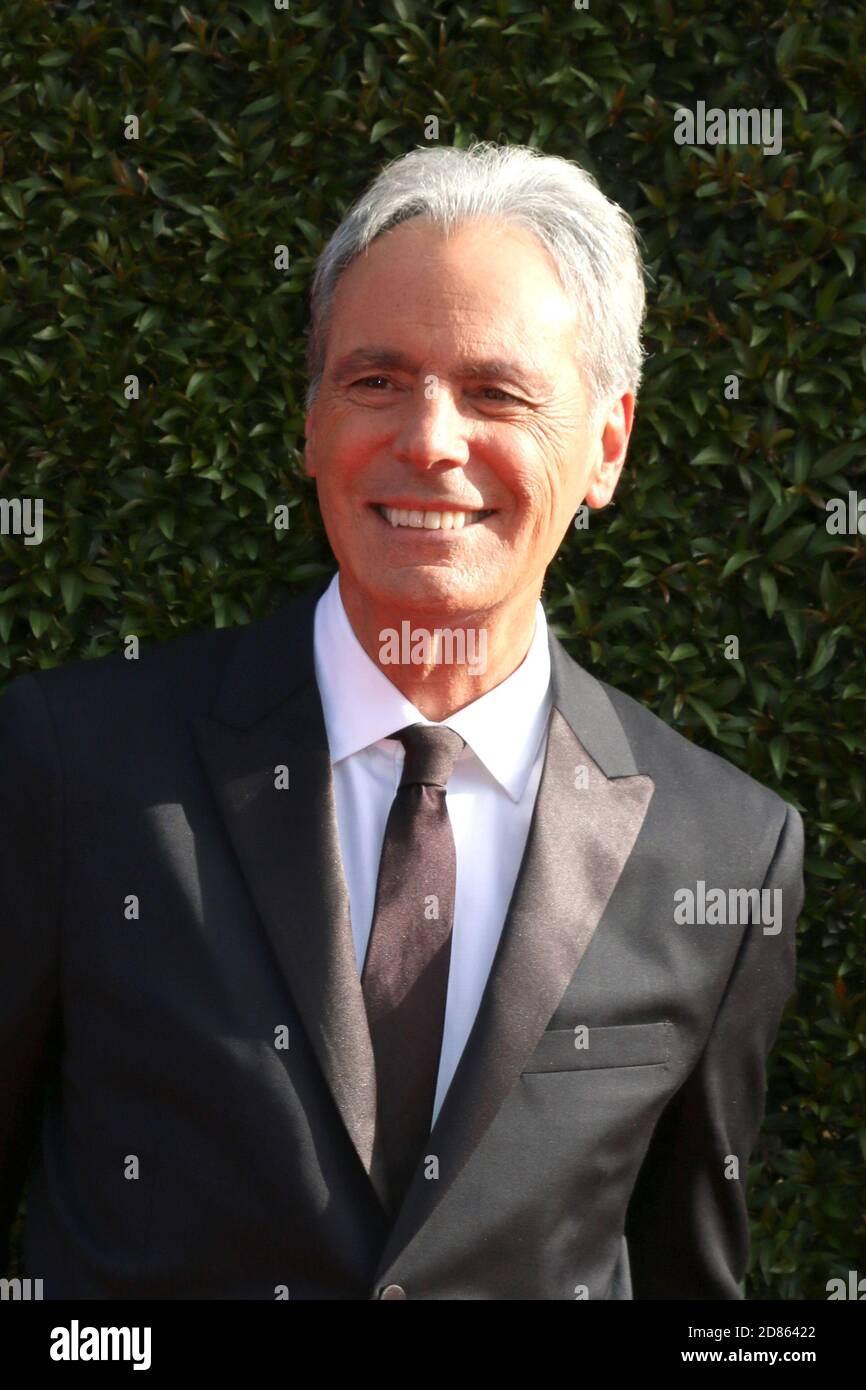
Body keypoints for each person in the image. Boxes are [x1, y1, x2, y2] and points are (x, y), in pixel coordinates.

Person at [0, 142, 803, 1299]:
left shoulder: (724, 850)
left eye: (495, 391)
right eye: (376, 380)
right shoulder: (76, 768)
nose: (429, 439)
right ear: (314, 421)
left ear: (606, 446)